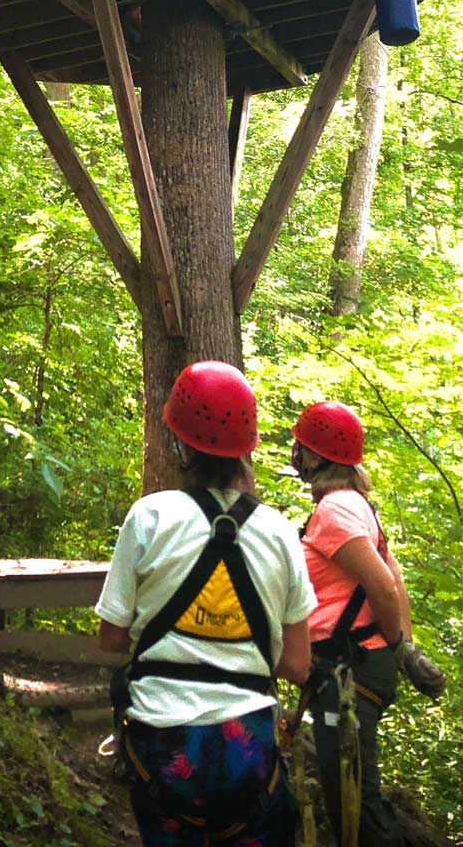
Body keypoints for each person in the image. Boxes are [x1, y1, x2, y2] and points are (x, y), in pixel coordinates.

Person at [96, 361, 316, 846]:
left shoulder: (148, 517)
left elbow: (111, 639)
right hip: (249, 753)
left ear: (180, 443)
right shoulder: (281, 534)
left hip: (162, 749)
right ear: (248, 449)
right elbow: (299, 664)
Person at [291, 401, 445, 847]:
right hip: (356, 665)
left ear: (319, 456)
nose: (295, 452)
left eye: (302, 445)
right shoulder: (355, 504)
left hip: (348, 670)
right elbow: (393, 577)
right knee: (354, 796)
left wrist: (403, 648)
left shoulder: (336, 511)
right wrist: (404, 647)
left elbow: (381, 584)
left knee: (354, 805)